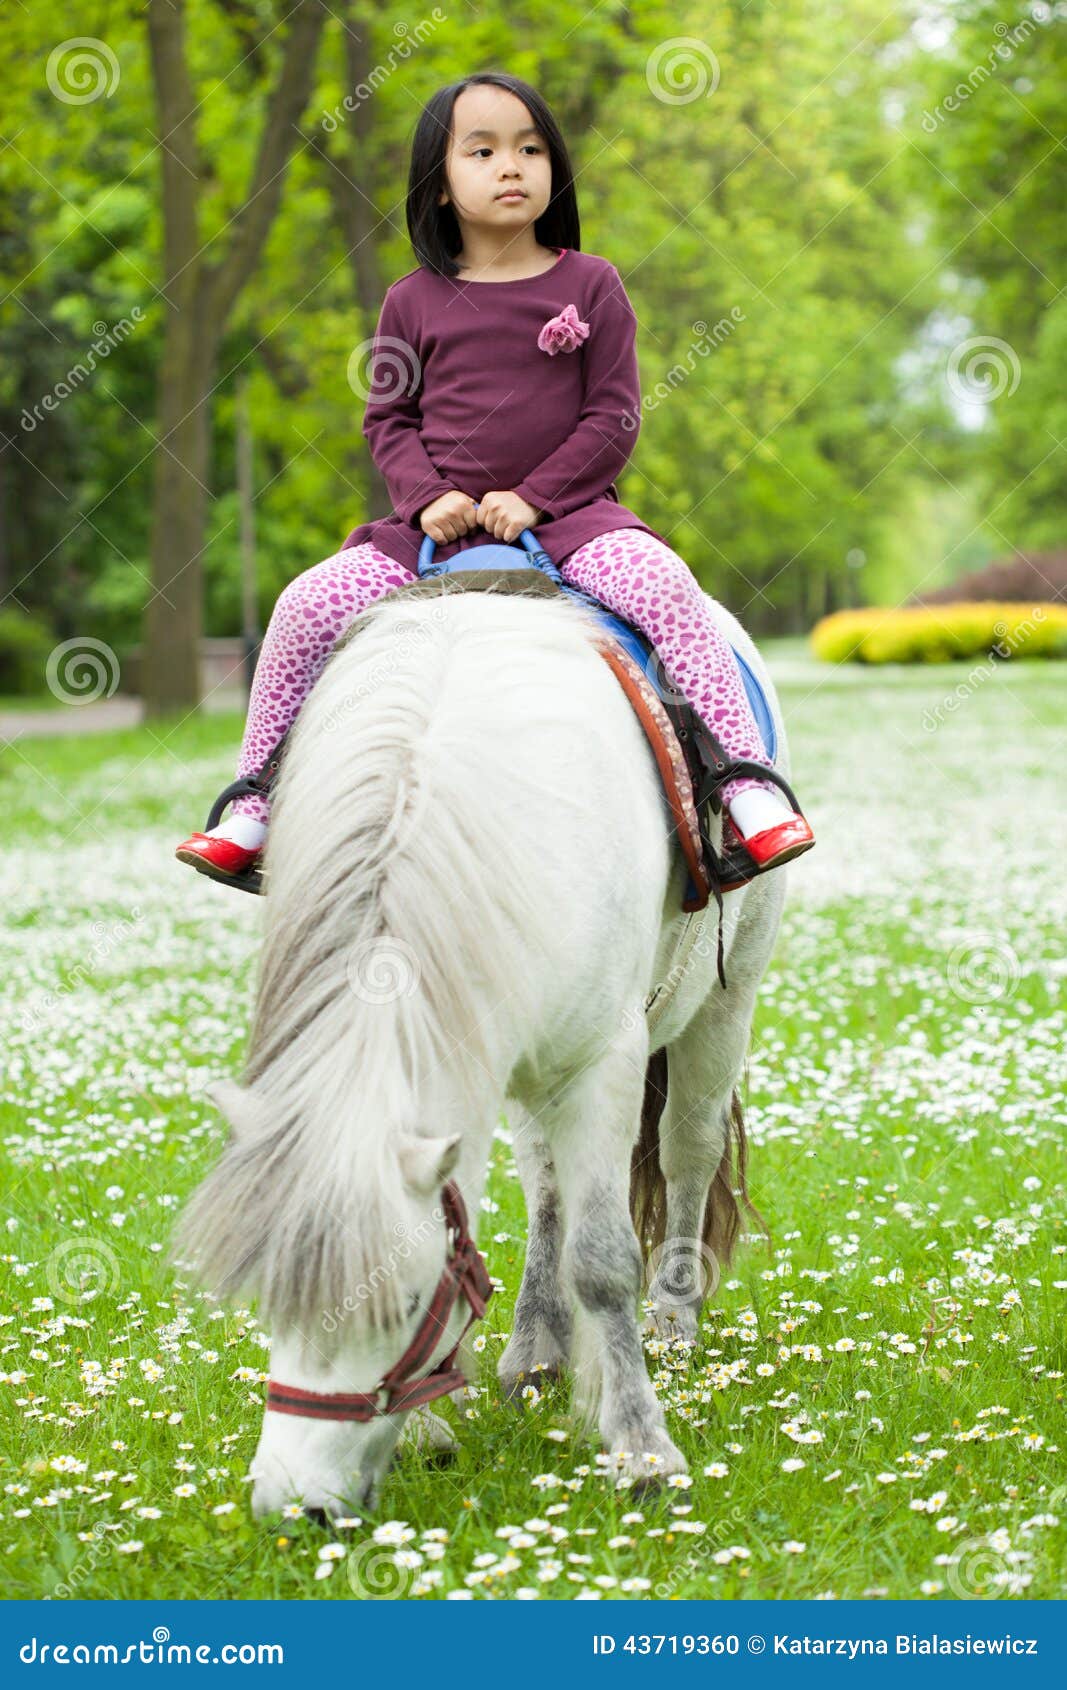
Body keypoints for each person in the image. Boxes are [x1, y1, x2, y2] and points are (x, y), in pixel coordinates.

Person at [176, 71, 814, 890]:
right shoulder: (410, 301)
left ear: (553, 168)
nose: (510, 165)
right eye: (481, 151)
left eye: (530, 148)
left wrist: (536, 498)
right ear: (439, 188)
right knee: (303, 605)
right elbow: (389, 420)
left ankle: (746, 782)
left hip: (570, 523)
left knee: (665, 589)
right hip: (429, 532)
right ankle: (256, 799)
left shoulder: (590, 284)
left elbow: (613, 417)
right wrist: (428, 497)